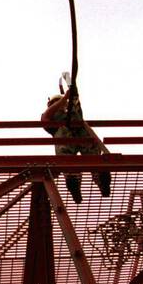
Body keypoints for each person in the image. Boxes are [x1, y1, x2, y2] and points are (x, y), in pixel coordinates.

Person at [41, 73, 111, 203]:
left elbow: (75, 97)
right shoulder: (51, 117)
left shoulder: (72, 111)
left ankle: (102, 181)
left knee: (94, 162)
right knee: (70, 166)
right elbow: (46, 117)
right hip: (66, 143)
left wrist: (68, 80)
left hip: (83, 137)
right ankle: (75, 186)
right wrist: (64, 98)